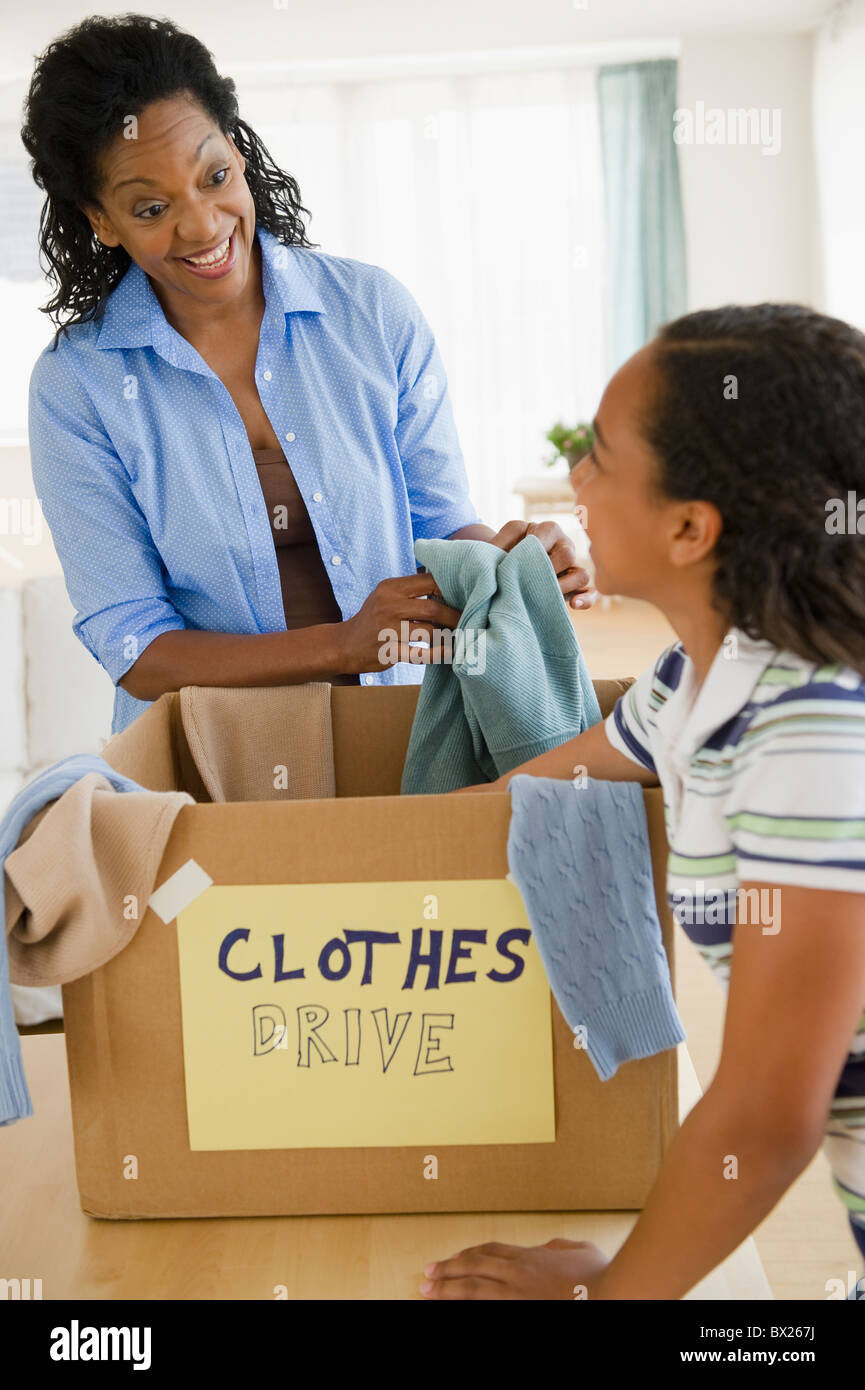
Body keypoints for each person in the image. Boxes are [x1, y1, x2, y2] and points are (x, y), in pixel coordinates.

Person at [420, 303, 865, 1301]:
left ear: (688, 527)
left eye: (599, 457)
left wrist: (605, 1303)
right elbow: (545, 778)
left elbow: (763, 1114)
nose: (572, 479)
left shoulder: (813, 737)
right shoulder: (702, 673)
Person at [22, 14, 594, 737]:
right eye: (151, 207)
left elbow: (440, 523)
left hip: (405, 728)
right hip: (212, 754)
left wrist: (519, 566)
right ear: (100, 220)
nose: (201, 225)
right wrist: (342, 643)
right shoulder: (80, 385)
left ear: (237, 147)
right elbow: (134, 644)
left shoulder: (371, 311)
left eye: (215, 176)